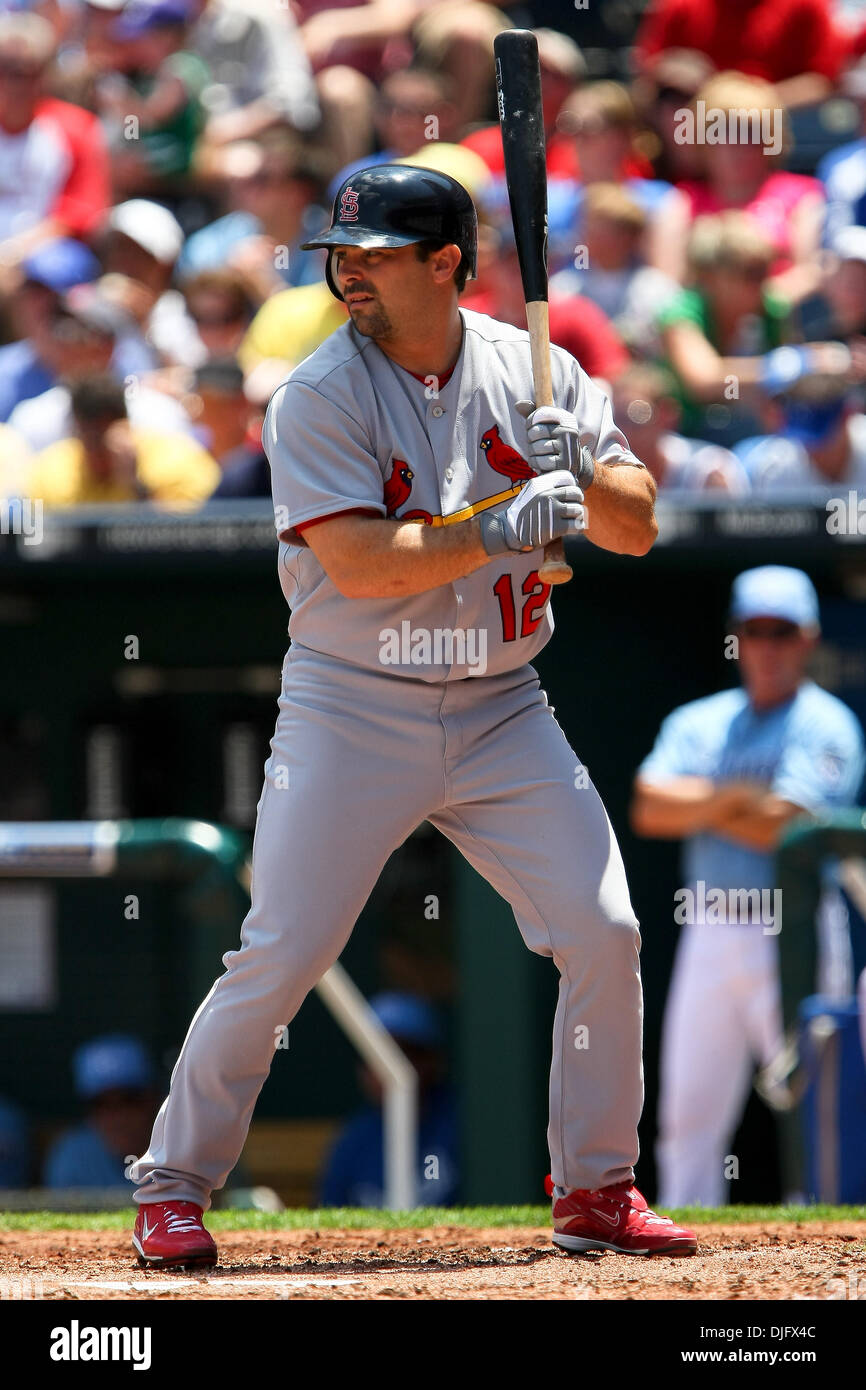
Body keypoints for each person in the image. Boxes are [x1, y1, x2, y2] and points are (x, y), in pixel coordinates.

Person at [127, 161, 696, 1269]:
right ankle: (174, 1181)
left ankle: (594, 1186)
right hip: (352, 702)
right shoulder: (316, 392)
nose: (349, 276)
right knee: (283, 948)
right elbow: (357, 563)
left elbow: (636, 529)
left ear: (446, 263)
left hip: (501, 703)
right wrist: (497, 521)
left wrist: (575, 465)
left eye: (376, 256)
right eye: (340, 256)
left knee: (604, 929)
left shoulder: (535, 368)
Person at [631, 567, 865, 1207]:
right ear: (736, 636)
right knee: (687, 1117)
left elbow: (787, 831)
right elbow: (649, 807)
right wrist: (738, 796)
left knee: (816, 1105)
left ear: (808, 639)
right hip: (708, 926)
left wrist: (702, 804)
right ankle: (682, 1258)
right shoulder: (700, 721)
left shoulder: (828, 723)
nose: (767, 646)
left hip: (794, 927)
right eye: (755, 631)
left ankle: (826, 1251)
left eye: (782, 632)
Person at [318, 992, 458, 1207]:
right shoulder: (353, 1139)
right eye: (374, 1055)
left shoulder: (461, 1126)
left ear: (432, 1060)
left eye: (402, 1052)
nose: (384, 1068)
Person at [0, 12, 109, 271]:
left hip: (42, 253)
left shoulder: (76, 128)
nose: (12, 83)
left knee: (53, 267)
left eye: (25, 71)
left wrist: (13, 252)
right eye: (4, 68)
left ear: (45, 74)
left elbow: (83, 212)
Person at [25, 370, 219, 506]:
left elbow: (189, 541)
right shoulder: (52, 469)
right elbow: (32, 542)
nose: (95, 448)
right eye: (87, 437)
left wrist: (135, 485)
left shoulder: (179, 461)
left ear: (124, 426)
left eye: (101, 437)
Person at [634, 0, 847, 108]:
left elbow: (825, 81)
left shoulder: (804, 5)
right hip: (693, 138)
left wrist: (744, 104)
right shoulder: (683, 5)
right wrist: (669, 67)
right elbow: (647, 69)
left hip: (775, 137)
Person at [43, 1035, 159, 1188]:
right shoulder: (73, 1157)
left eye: (130, 1099)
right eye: (101, 1104)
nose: (118, 1117)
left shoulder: (184, 1151)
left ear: (154, 1100)